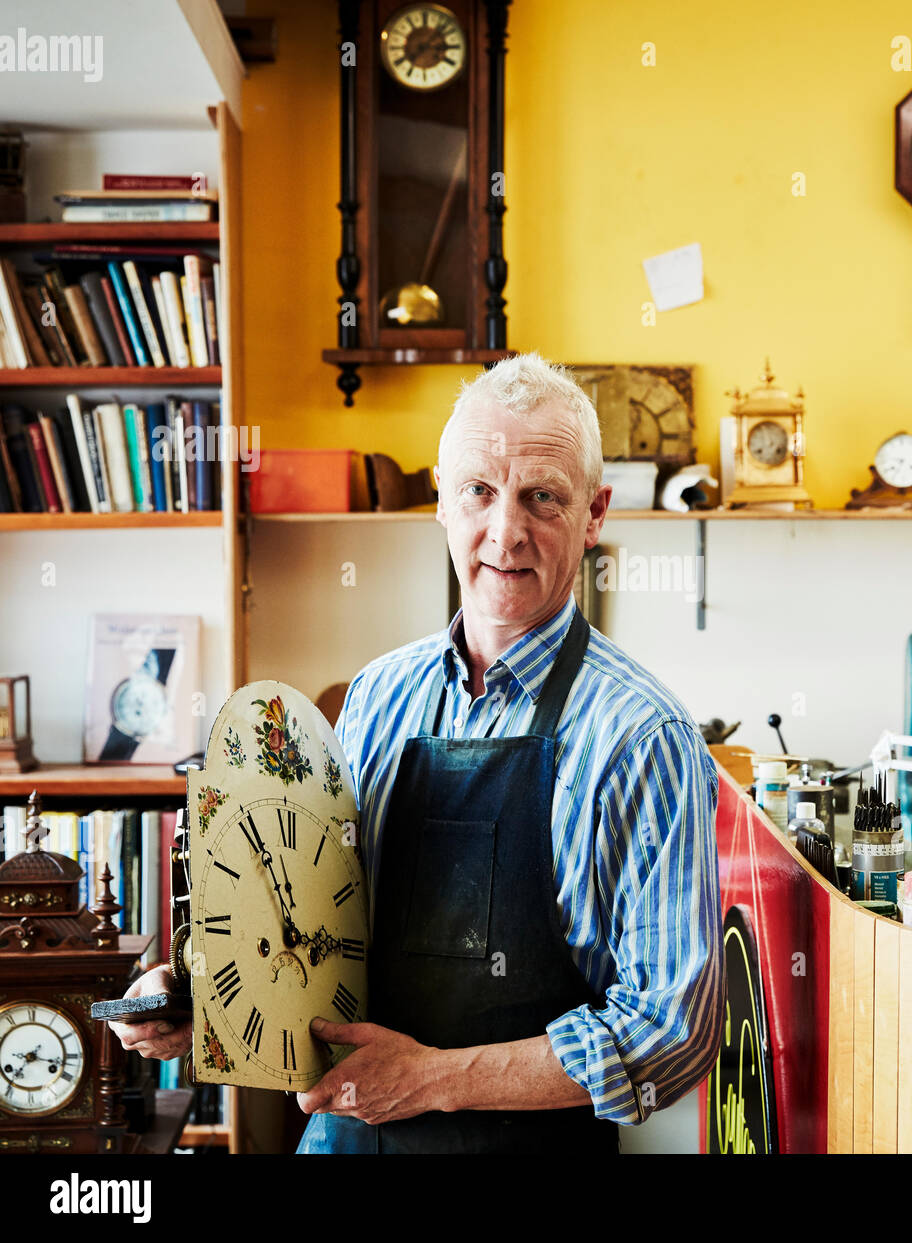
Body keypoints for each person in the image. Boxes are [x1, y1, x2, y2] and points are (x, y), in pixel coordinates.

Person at [111, 353, 723, 1154]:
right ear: (441, 500)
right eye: (478, 490)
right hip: (343, 1138)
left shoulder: (642, 737)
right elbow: (322, 931)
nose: (506, 531)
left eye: (543, 496)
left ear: (596, 512)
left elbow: (670, 1032)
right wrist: (203, 999)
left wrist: (435, 1076)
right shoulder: (376, 694)